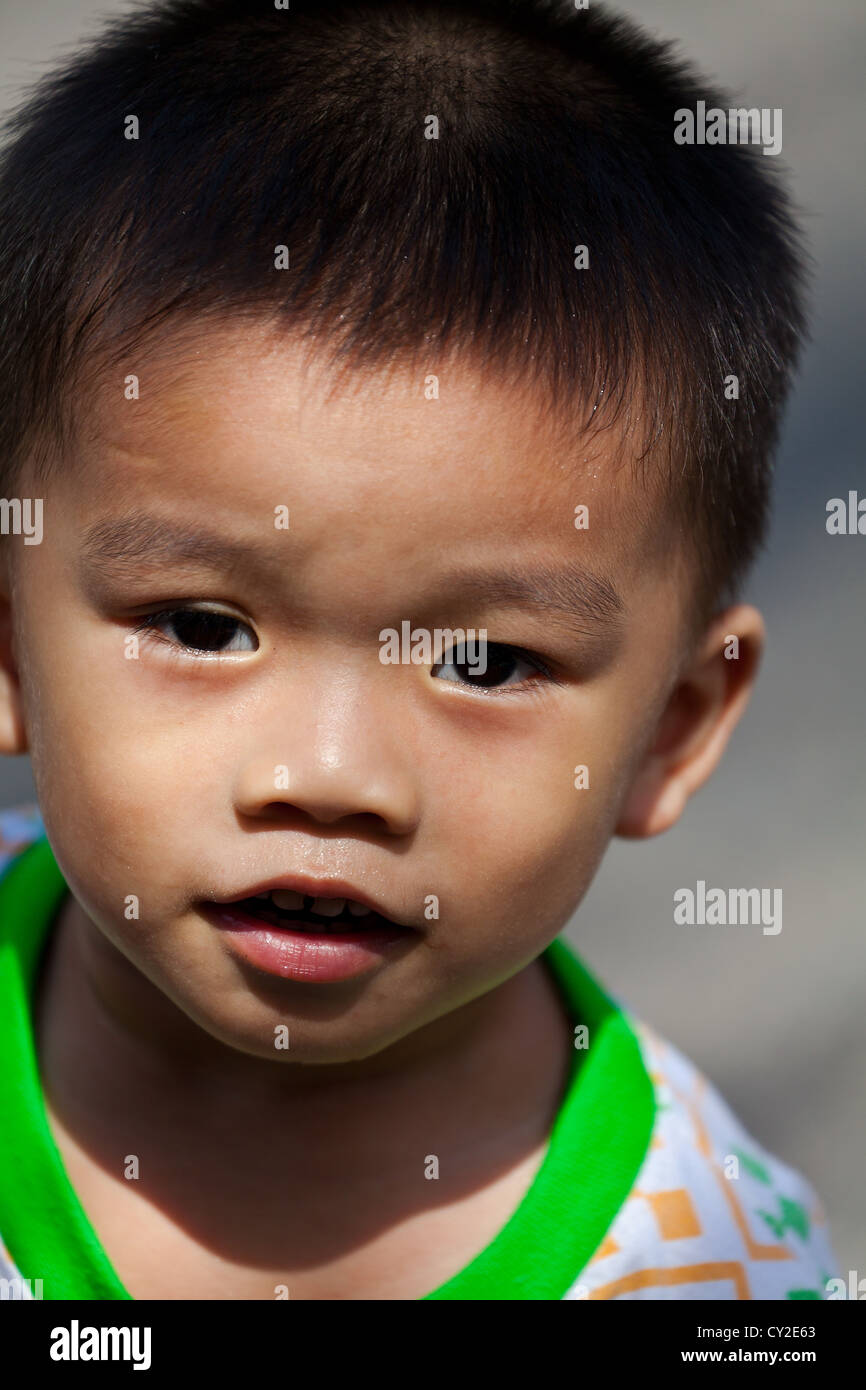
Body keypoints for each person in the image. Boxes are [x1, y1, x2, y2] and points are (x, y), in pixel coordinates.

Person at [0, 0, 837, 1299]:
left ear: (669, 729)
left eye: (486, 664)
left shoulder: (717, 1272)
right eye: (204, 626)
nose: (331, 776)